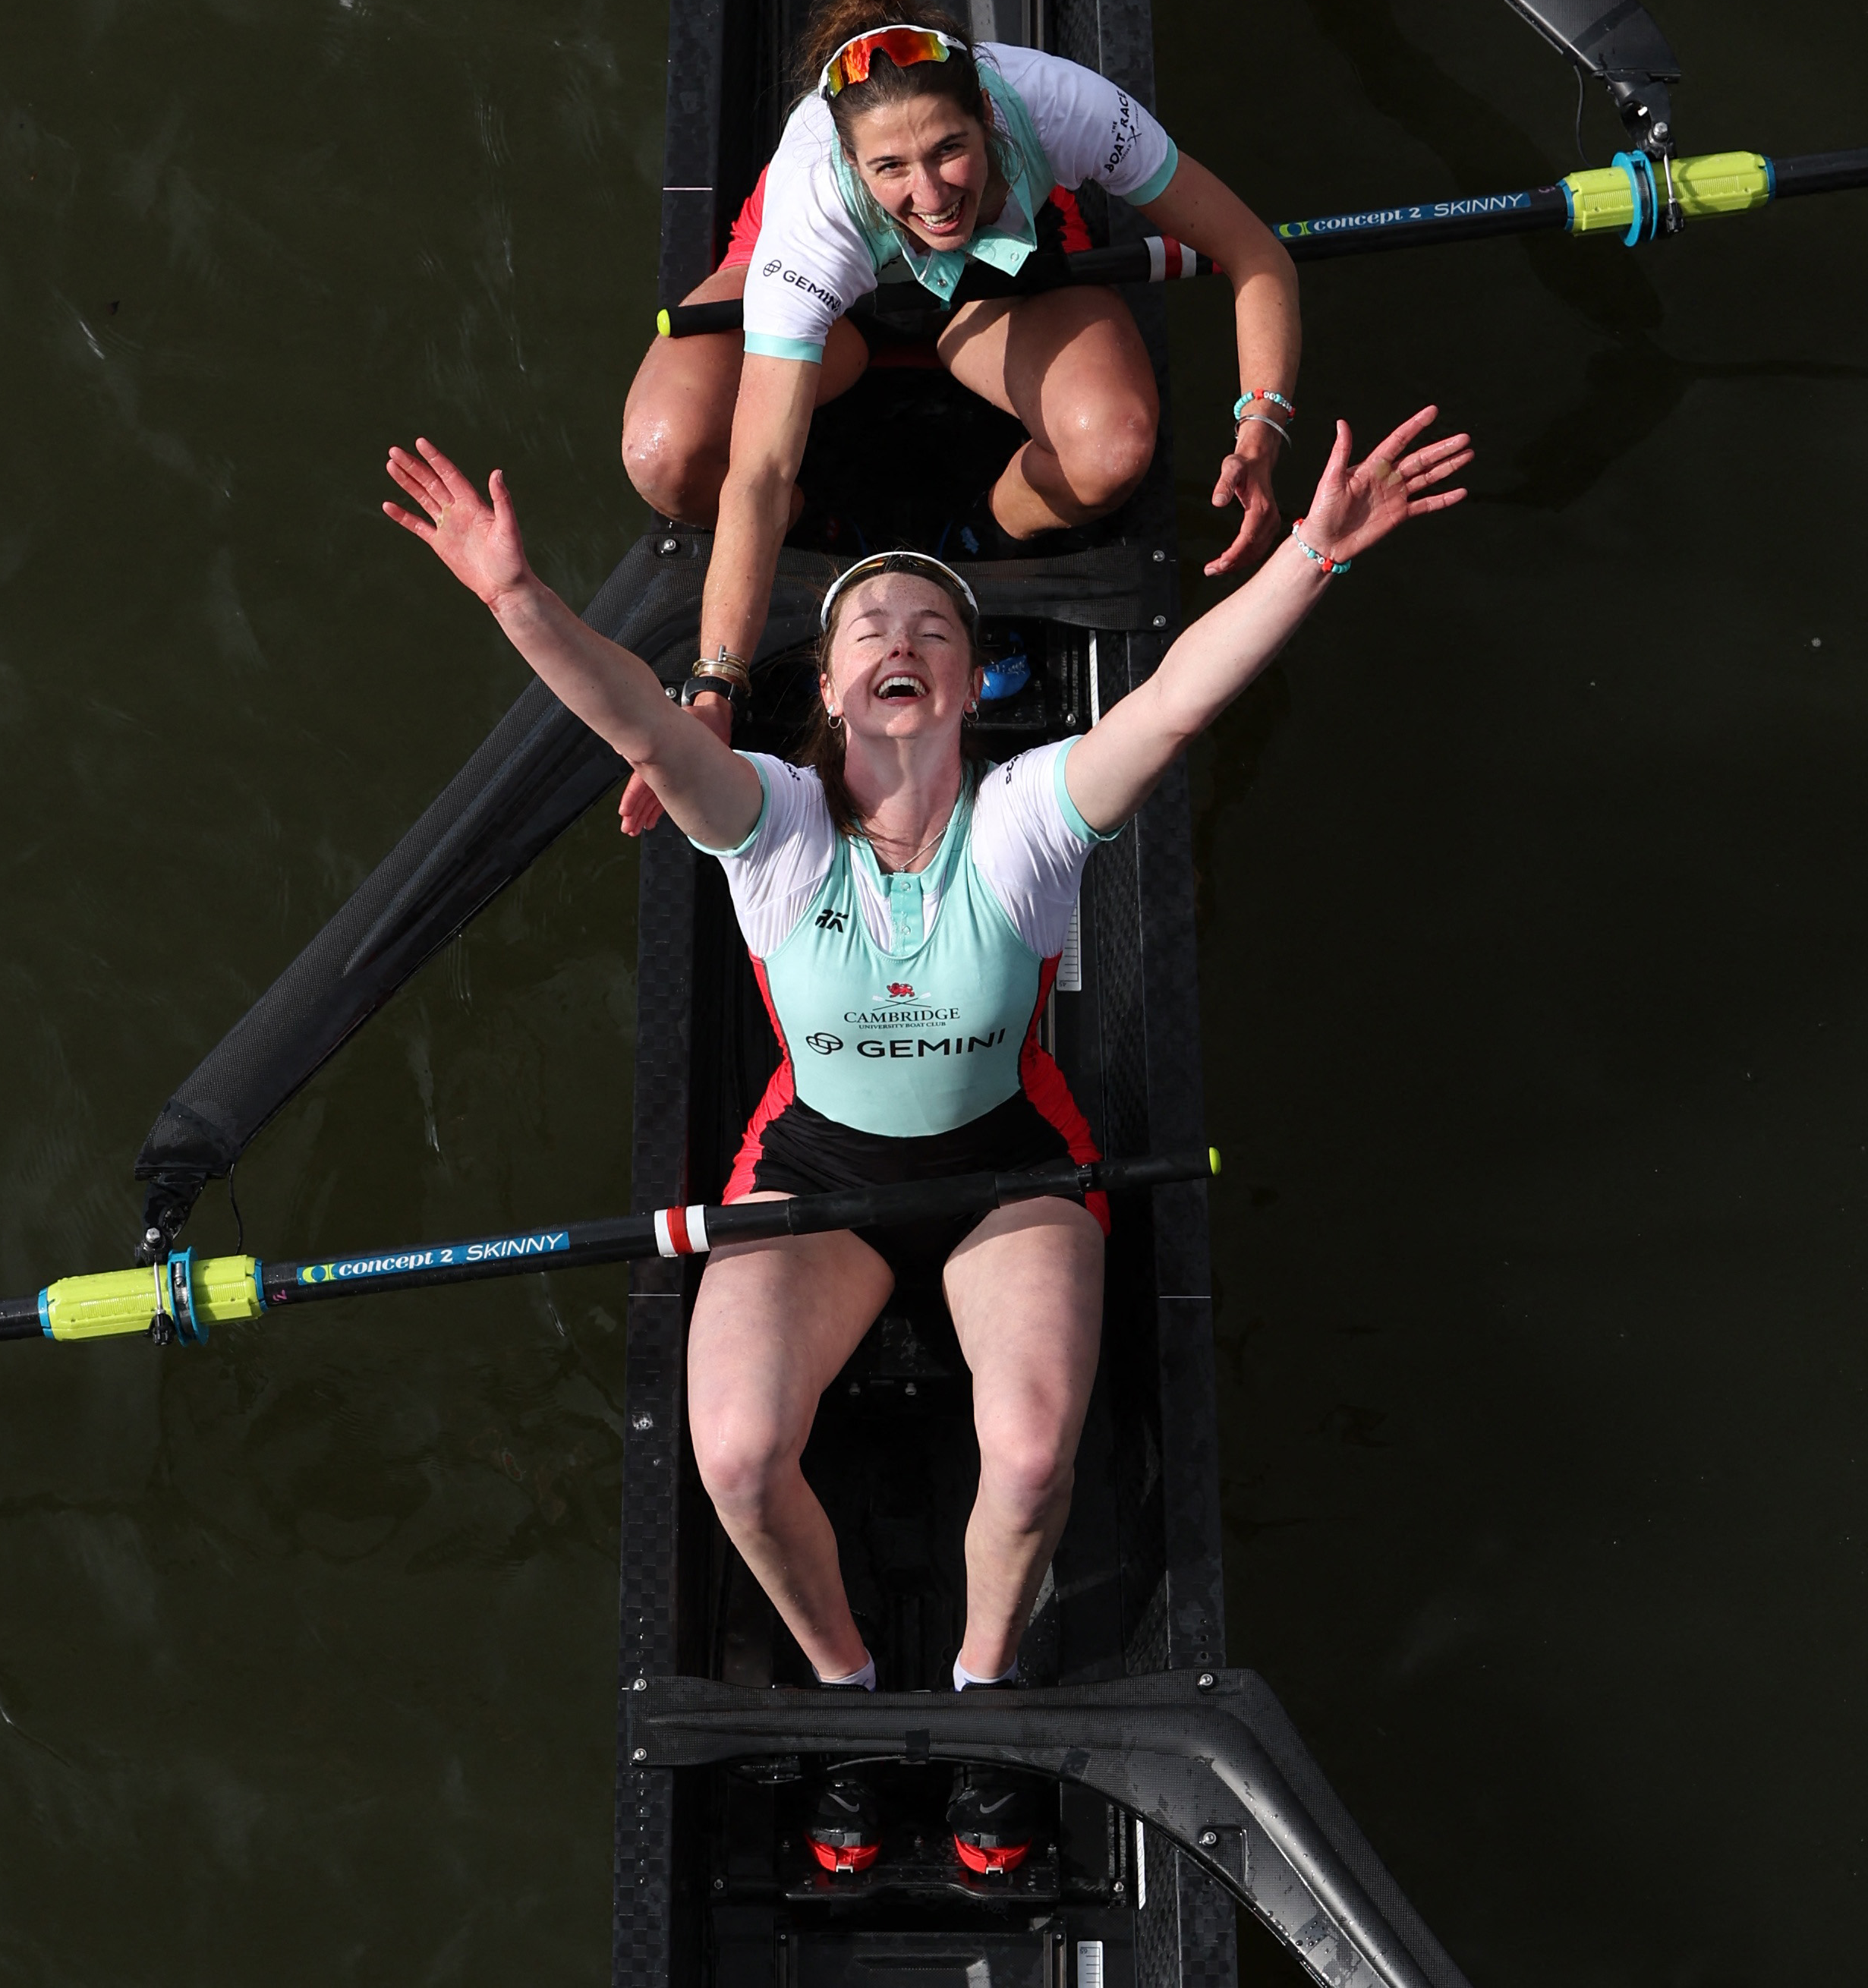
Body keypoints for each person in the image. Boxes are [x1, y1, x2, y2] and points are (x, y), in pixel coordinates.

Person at [380, 408, 1466, 1720]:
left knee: (1022, 1459)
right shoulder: (769, 820)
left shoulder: (1023, 821)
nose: (900, 642)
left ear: (963, 687)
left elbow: (1173, 702)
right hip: (813, 1168)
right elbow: (645, 730)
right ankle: (843, 1679)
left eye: (933, 632)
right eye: (867, 633)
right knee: (730, 1457)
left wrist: (1311, 554)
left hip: (1007, 1166)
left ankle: (979, 1679)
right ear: (829, 690)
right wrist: (514, 595)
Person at [612, 0, 1306, 835]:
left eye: (951, 149)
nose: (932, 194)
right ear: (850, 163)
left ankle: (984, 538)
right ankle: (819, 526)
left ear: (989, 115)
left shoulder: (1064, 105)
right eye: (892, 167)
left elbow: (1257, 254)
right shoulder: (813, 217)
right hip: (835, 313)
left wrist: (1262, 423)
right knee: (669, 458)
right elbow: (753, 472)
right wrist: (717, 683)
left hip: (1003, 279)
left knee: (1115, 447)